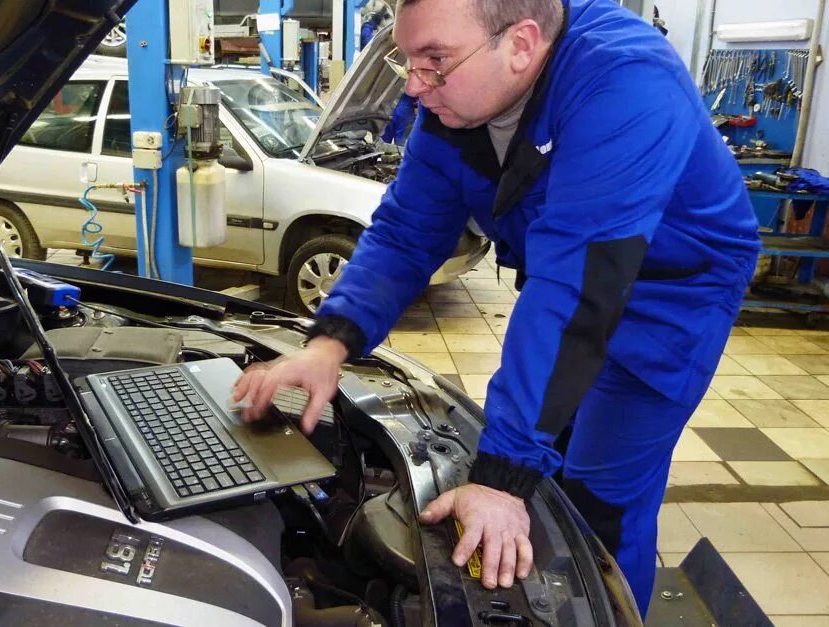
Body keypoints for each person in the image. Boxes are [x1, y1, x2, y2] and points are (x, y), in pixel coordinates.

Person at [233, 0, 760, 617]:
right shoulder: (455, 99)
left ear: (521, 44)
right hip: (573, 275)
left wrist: (500, 477)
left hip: (673, 295)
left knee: (600, 498)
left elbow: (578, 290)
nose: (413, 84)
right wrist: (330, 344)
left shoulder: (627, 83)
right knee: (544, 458)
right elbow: (407, 231)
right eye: (409, 60)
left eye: (434, 61)